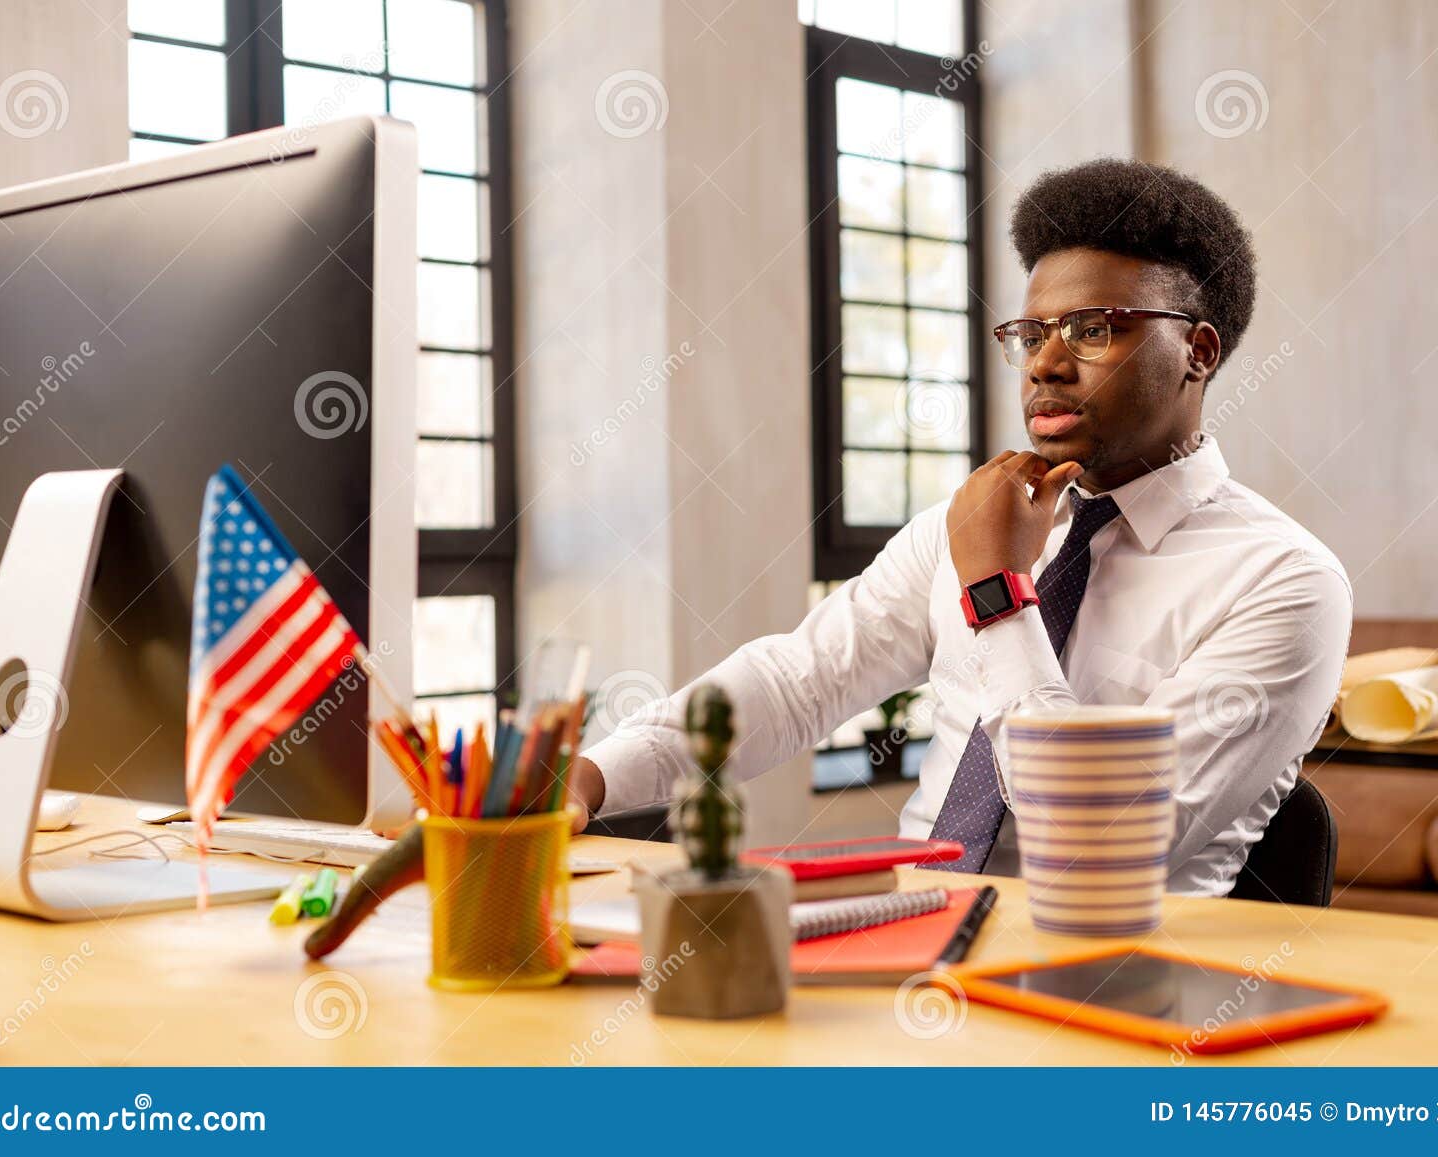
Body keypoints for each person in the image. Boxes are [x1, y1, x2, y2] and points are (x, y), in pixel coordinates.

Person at [567, 158, 1352, 895]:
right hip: (907, 937)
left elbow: (1105, 847)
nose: (1046, 362)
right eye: (1031, 334)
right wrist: (591, 778)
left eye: (1091, 329)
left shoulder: (1284, 581)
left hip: (1114, 989)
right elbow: (799, 681)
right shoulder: (976, 520)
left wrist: (998, 590)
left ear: (1198, 352)